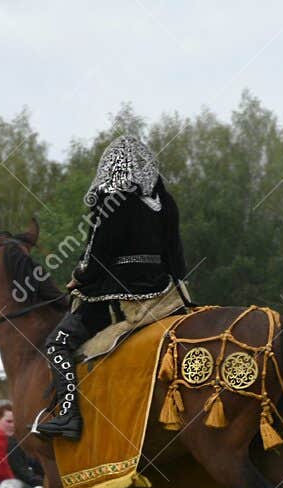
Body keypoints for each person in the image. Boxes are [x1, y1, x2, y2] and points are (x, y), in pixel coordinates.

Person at [38, 134, 189, 440]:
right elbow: (177, 258)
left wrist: (79, 276)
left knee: (57, 344)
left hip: (113, 296)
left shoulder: (113, 200)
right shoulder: (166, 203)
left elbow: (96, 255)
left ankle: (68, 414)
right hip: (165, 296)